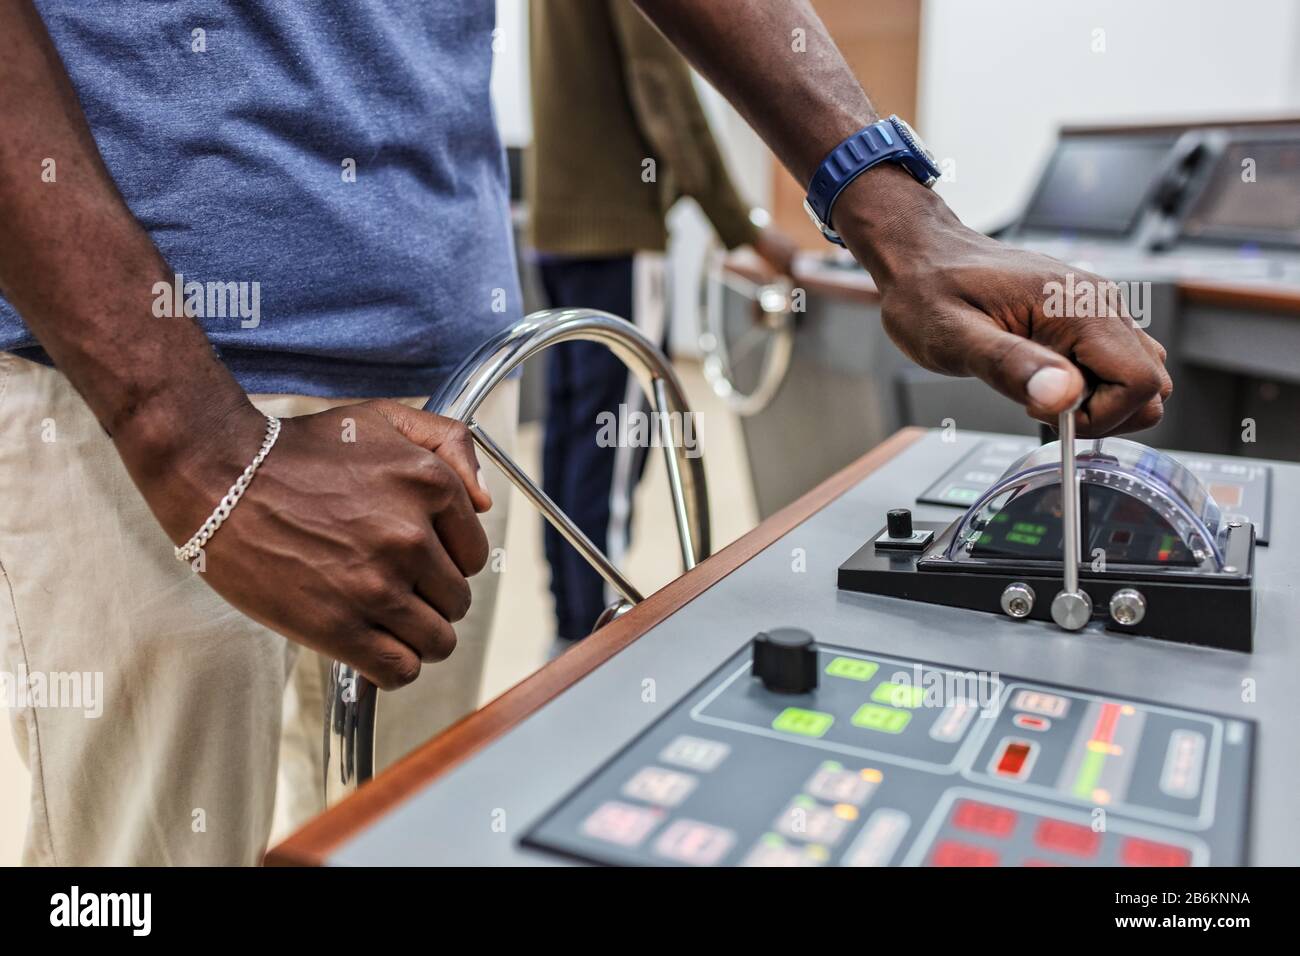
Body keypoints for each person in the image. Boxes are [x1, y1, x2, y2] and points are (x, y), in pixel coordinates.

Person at [0, 0, 1170, 866]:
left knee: (402, 837)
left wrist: (895, 206)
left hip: (452, 383)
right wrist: (189, 443)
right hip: (131, 386)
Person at [528, 0, 797, 644]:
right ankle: (593, 632)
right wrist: (744, 227)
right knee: (613, 438)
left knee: (571, 432)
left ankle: (567, 614)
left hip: (557, 229)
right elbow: (663, 92)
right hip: (616, 230)